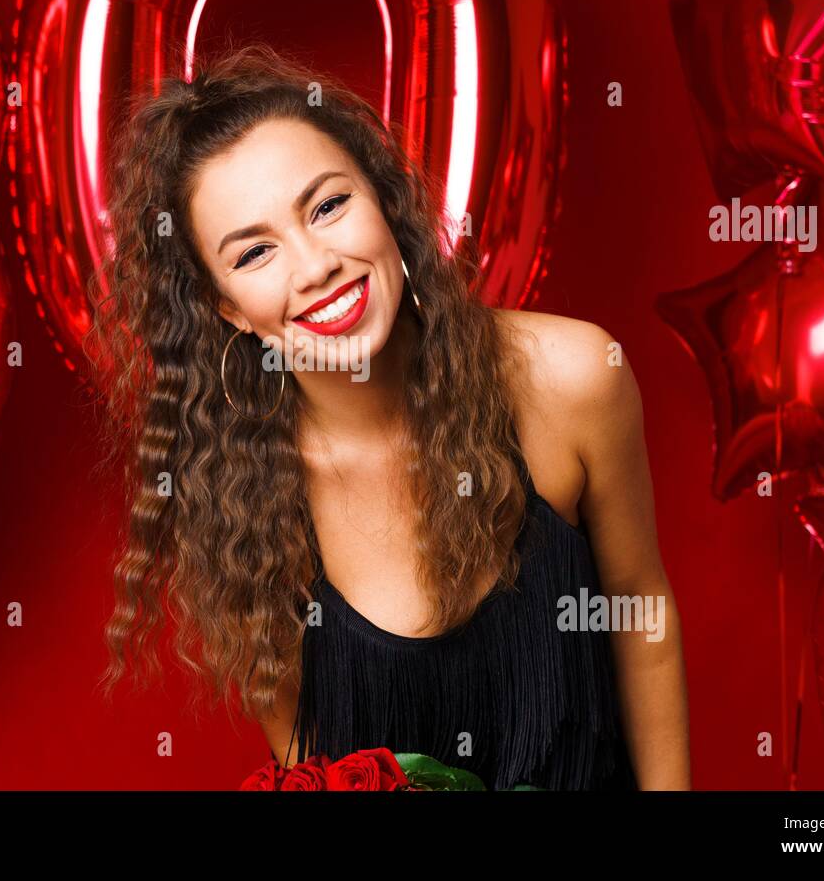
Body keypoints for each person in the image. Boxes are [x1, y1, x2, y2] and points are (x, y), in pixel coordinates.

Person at [91, 42, 690, 790]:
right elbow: (306, 769)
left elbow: (638, 607)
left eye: (329, 205)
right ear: (225, 308)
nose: (315, 266)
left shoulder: (573, 378)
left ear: (383, 198)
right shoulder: (236, 497)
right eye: (253, 254)